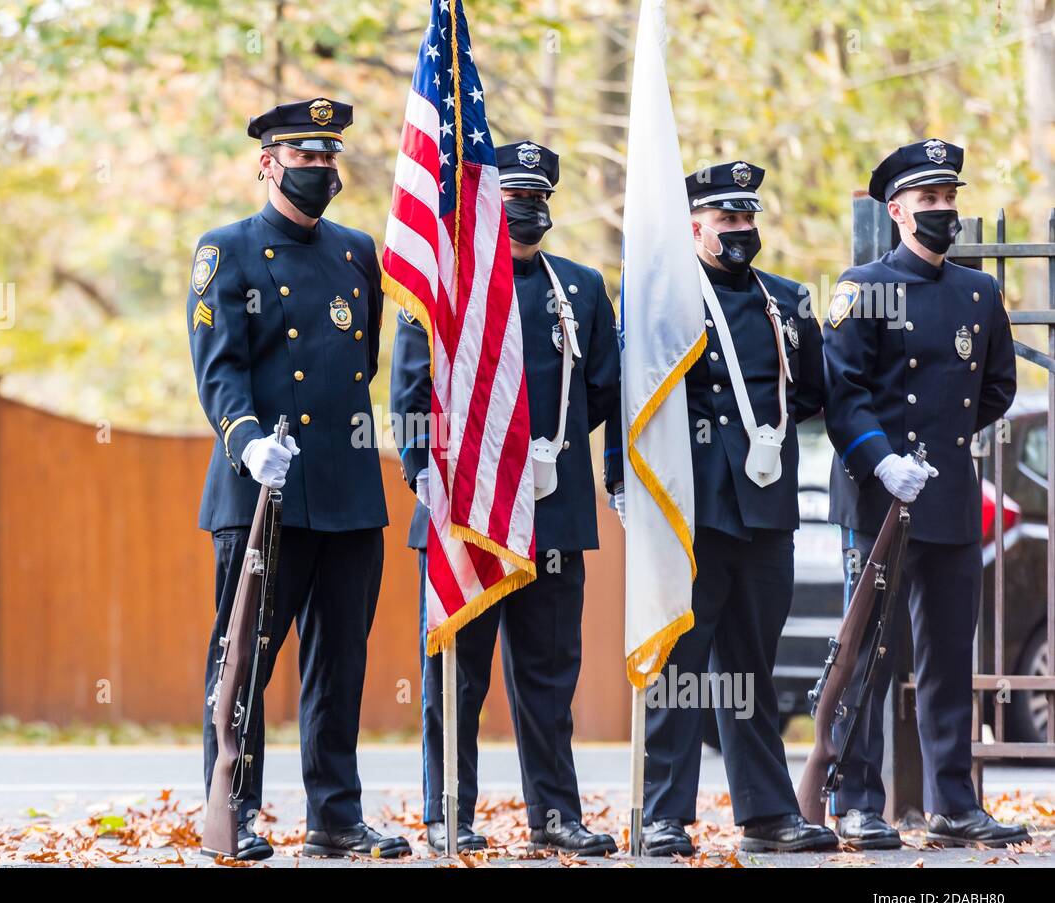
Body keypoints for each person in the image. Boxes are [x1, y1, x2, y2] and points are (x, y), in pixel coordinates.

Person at [187, 97, 409, 860]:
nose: (319, 170)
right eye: (305, 157)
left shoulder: (355, 253)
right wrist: (247, 443)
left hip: (346, 489)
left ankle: (336, 816)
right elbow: (220, 373)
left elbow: (364, 361)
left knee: (341, 660)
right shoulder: (228, 251)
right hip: (262, 492)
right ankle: (234, 808)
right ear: (268, 162)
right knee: (244, 655)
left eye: (328, 158)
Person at [391, 140, 624, 856]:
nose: (528, 212)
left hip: (551, 511)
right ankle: (447, 811)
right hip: (466, 508)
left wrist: (531, 447)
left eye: (536, 200)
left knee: (550, 678)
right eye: (513, 200)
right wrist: (423, 468)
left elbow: (604, 393)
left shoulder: (581, 288)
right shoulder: (447, 282)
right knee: (455, 681)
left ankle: (555, 814)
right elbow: (409, 389)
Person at [822, 138, 1029, 849]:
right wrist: (883, 460)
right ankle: (856, 802)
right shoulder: (861, 286)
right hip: (879, 502)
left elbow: (998, 386)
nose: (943, 211)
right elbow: (841, 396)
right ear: (897, 210)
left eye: (950, 199)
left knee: (948, 657)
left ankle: (953, 801)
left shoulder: (979, 292)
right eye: (929, 200)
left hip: (944, 497)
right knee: (869, 658)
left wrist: (940, 442)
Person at [639, 161, 837, 856]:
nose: (741, 231)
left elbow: (814, 390)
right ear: (695, 227)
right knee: (681, 665)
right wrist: (621, 485)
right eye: (727, 221)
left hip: (765, 508)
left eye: (748, 218)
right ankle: (662, 815)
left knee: (752, 664)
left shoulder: (786, 299)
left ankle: (766, 815)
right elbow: (634, 402)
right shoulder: (664, 301)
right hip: (691, 510)